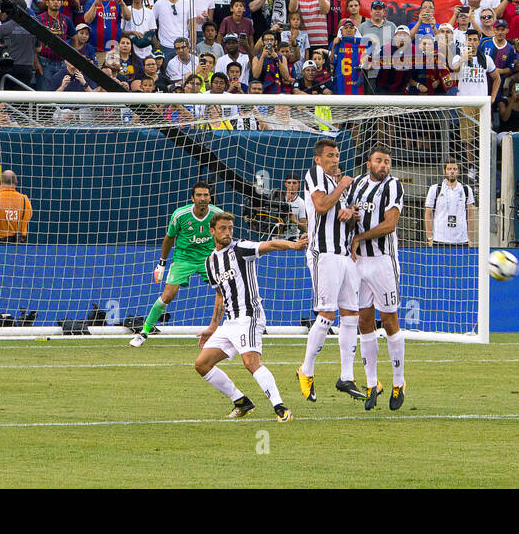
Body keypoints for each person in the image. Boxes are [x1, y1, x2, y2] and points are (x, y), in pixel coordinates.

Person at [194, 212, 306, 421]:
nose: (227, 232)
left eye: (230, 228)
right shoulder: (210, 262)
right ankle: (241, 401)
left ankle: (280, 408)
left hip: (250, 316)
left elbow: (270, 245)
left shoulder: (241, 248)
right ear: (212, 231)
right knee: (202, 364)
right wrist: (212, 328)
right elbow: (220, 295)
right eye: (222, 228)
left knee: (251, 362)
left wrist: (294, 246)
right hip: (230, 322)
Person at [297, 137, 366, 402]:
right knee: (327, 313)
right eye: (329, 155)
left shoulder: (339, 186)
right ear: (318, 158)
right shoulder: (315, 174)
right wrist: (343, 185)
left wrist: (351, 212)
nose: (335, 159)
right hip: (323, 254)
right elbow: (322, 206)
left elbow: (338, 213)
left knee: (351, 314)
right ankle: (306, 371)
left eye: (337, 155)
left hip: (345, 254)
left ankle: (346, 377)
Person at [347, 145, 408, 411]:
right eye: (379, 161)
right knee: (364, 321)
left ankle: (398, 382)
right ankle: (372, 383)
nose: (384, 166)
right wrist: (350, 217)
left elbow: (390, 224)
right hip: (359, 263)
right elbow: (348, 213)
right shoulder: (358, 184)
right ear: (369, 163)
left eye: (387, 162)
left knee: (390, 320)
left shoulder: (393, 186)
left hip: (383, 262)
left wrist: (359, 237)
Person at [129, 182, 221, 347]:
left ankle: (231, 328)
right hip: (183, 258)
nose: (202, 198)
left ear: (210, 197)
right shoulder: (180, 215)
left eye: (206, 195)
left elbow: (224, 238)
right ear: (192, 198)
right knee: (168, 296)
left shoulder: (218, 214)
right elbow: (169, 238)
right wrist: (161, 264)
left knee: (226, 290)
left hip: (208, 258)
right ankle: (143, 333)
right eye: (199, 195)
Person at [425, 160, 475, 247]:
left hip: (461, 239)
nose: (452, 172)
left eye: (454, 169)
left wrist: (470, 239)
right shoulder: (435, 189)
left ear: (458, 171)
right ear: (445, 171)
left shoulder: (466, 189)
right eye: (449, 169)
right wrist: (429, 237)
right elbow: (428, 213)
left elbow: (470, 215)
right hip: (440, 239)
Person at [0, 170, 32, 242]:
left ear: (0, 182)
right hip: (19, 244)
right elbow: (28, 217)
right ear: (16, 183)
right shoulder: (25, 200)